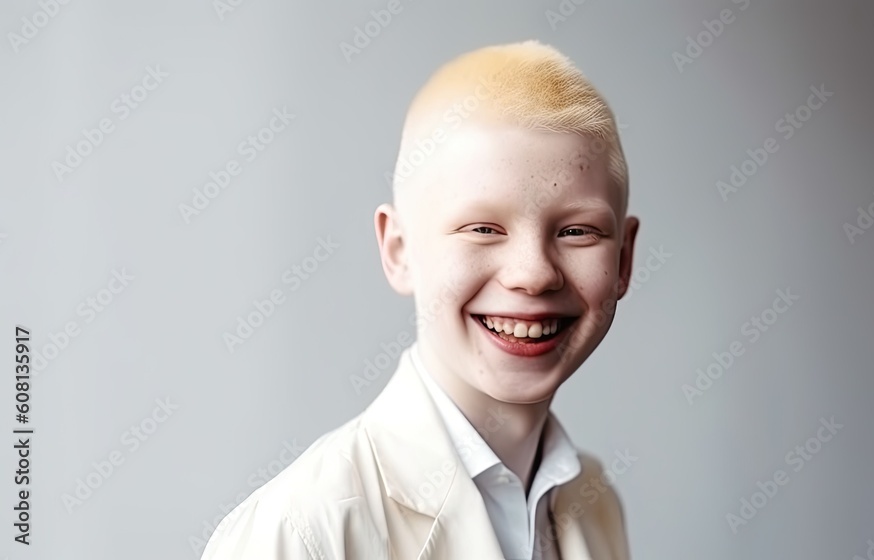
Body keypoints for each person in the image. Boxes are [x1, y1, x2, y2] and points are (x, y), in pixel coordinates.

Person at [202, 39, 638, 560]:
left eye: (577, 231)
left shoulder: (595, 502)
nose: (534, 274)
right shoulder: (300, 532)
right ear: (399, 250)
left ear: (624, 260)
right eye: (482, 228)